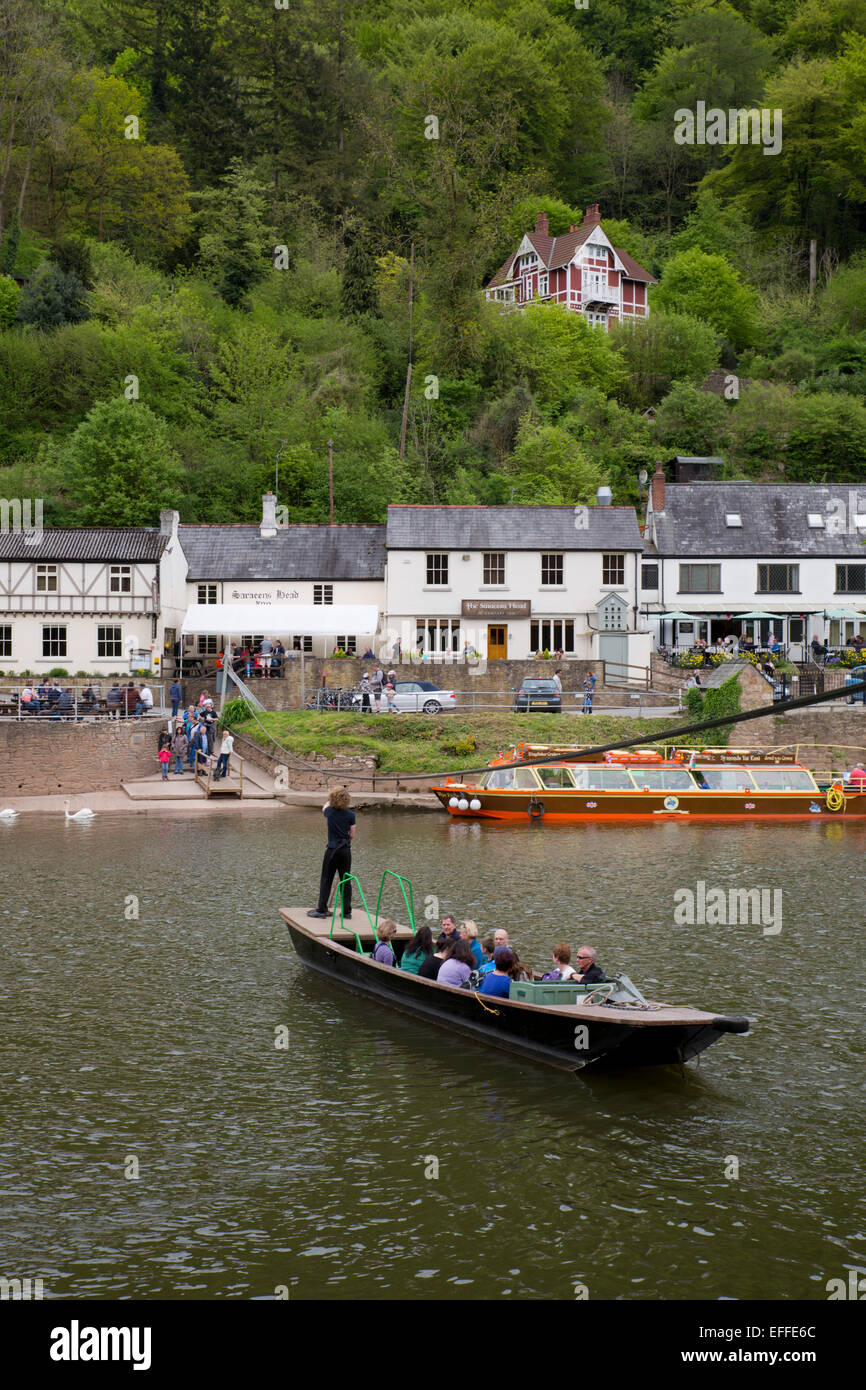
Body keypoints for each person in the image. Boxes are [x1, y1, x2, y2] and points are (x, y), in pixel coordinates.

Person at [308, 787, 356, 919]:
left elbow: (324, 807)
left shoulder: (329, 812)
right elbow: (352, 834)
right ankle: (347, 912)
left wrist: (330, 799)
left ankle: (322, 909)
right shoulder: (351, 815)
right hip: (345, 850)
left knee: (326, 879)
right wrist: (346, 841)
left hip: (332, 850)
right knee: (345, 880)